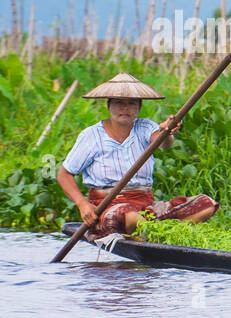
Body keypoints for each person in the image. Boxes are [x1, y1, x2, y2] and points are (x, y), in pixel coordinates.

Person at [56, 72, 219, 240]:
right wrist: (82, 204)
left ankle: (161, 234)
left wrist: (166, 131)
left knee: (206, 204)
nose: (125, 108)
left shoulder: (145, 127)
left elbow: (163, 142)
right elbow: (64, 174)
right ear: (109, 106)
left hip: (146, 207)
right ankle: (153, 232)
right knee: (130, 216)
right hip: (109, 208)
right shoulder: (91, 136)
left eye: (131, 103)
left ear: (139, 108)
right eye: (119, 103)